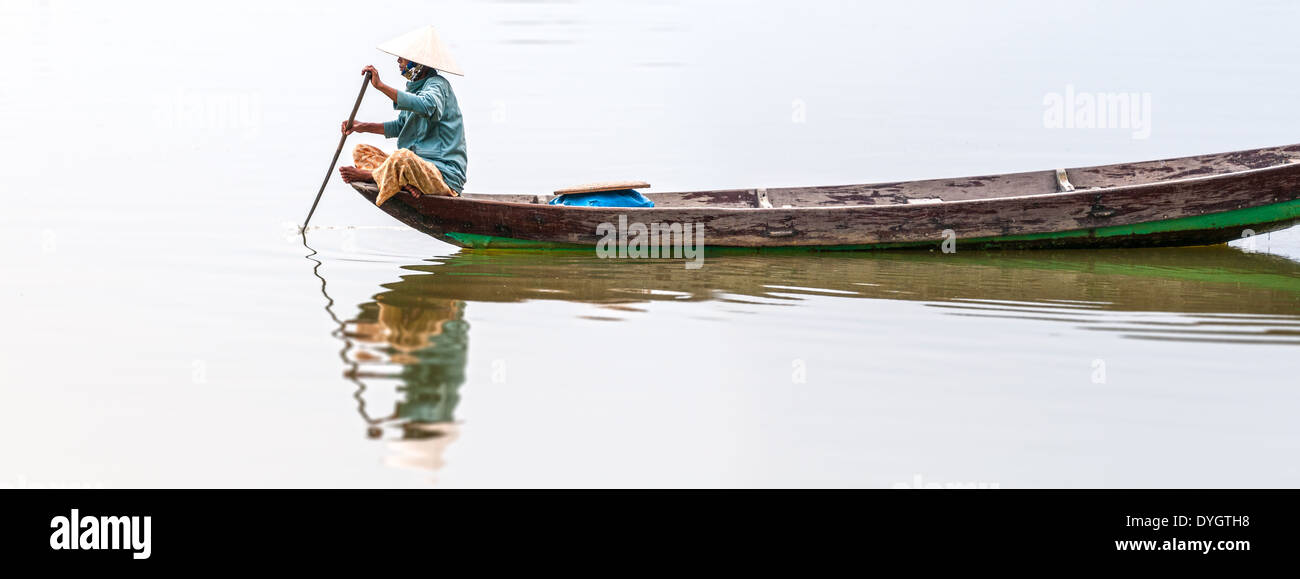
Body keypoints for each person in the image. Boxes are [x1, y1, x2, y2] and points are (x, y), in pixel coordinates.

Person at [339, 26, 467, 206]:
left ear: (419, 62)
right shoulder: (414, 88)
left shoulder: (438, 85)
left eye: (403, 57)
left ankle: (373, 176)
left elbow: (427, 105)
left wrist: (381, 86)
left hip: (442, 177)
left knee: (401, 157)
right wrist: (362, 127)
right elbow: (401, 126)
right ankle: (404, 182)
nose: (398, 60)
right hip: (417, 169)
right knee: (360, 150)